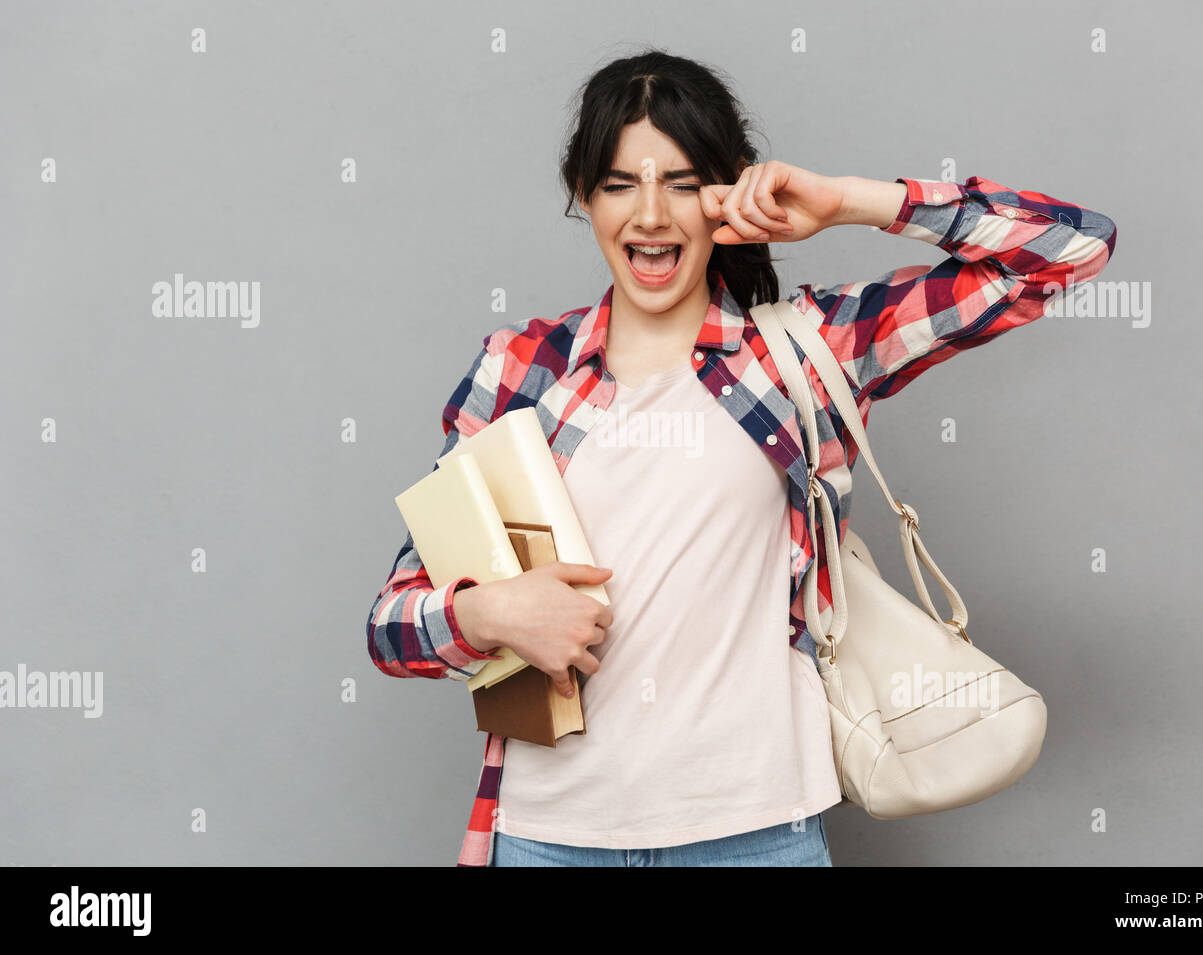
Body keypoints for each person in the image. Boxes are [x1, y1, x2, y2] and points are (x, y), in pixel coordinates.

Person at [365, 47, 1117, 867]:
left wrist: (847, 202)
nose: (650, 214)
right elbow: (392, 624)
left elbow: (1068, 251)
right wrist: (490, 615)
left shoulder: (807, 354)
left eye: (683, 183)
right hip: (548, 837)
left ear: (727, 192)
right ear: (584, 196)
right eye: (620, 184)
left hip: (756, 834)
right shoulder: (519, 369)